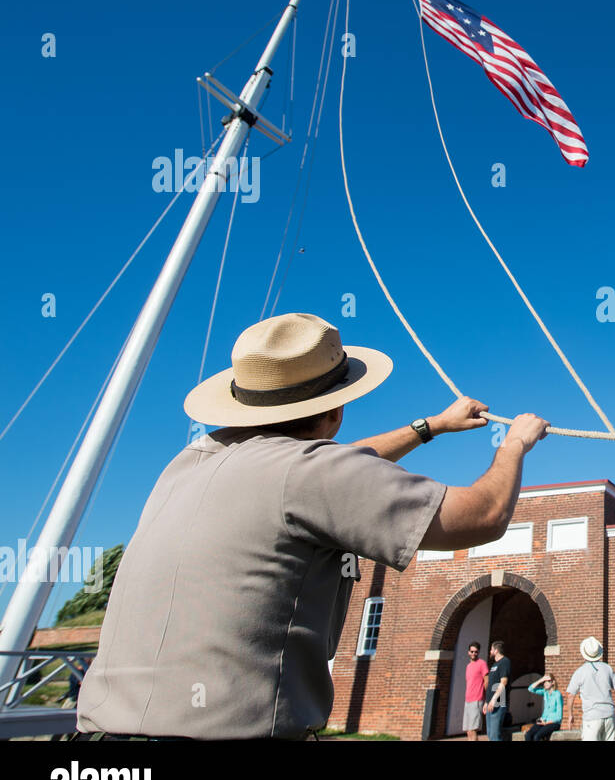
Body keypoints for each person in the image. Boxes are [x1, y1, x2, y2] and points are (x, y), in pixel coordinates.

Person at [75, 312, 549, 740]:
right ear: (337, 409)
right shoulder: (312, 475)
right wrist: (513, 445)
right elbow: (482, 517)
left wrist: (431, 426)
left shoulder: (186, 466)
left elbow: (328, 469)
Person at [564, 637, 615, 741]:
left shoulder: (580, 672)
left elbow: (570, 695)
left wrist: (570, 715)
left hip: (592, 717)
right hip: (609, 714)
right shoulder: (607, 668)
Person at [484, 641, 512, 741]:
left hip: (499, 702)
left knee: (495, 735)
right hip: (490, 703)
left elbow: (503, 682)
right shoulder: (495, 664)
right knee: (490, 734)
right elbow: (492, 684)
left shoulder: (504, 662)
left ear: (496, 650)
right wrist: (486, 702)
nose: (490, 651)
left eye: (491, 649)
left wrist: (494, 700)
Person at [525, 673, 563, 741]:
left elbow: (559, 717)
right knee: (528, 734)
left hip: (553, 723)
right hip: (543, 721)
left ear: (553, 682)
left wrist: (546, 723)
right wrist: (541, 680)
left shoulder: (557, 694)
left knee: (537, 737)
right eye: (544, 682)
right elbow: (530, 689)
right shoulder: (545, 692)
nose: (545, 683)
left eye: (547, 681)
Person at [463, 642, 489, 741]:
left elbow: (487, 680)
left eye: (476, 652)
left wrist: (484, 696)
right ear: (468, 652)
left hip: (477, 700)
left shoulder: (482, 663)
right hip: (467, 700)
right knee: (468, 731)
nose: (474, 653)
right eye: (472, 651)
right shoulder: (468, 666)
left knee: (473, 730)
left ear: (478, 652)